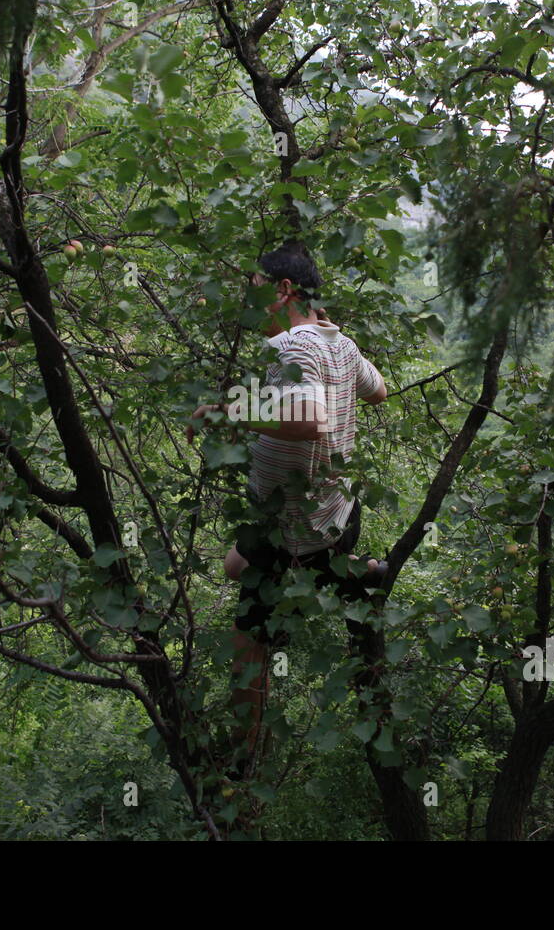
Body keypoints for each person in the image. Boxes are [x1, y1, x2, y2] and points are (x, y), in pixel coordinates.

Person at [186, 241, 388, 768]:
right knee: (234, 565)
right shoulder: (332, 343)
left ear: (282, 289)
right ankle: (357, 572)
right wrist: (333, 339)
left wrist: (226, 414)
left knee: (245, 649)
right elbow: (380, 391)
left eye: (253, 286)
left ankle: (239, 764)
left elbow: (308, 422)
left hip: (291, 528)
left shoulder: (294, 348)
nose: (246, 299)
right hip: (336, 512)